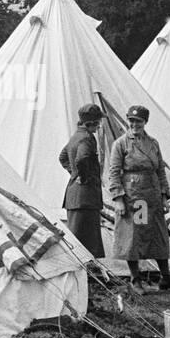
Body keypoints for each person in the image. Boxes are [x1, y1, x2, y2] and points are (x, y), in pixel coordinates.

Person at [105, 104, 170, 293]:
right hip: (135, 196)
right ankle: (135, 279)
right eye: (131, 120)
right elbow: (113, 172)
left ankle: (166, 277)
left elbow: (160, 169)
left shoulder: (153, 143)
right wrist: (118, 198)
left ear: (145, 122)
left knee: (158, 235)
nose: (134, 124)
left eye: (138, 121)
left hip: (152, 194)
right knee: (134, 236)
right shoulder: (121, 143)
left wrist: (164, 196)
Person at [58, 103, 106, 258]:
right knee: (86, 242)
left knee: (78, 239)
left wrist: (74, 174)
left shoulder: (76, 136)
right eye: (97, 123)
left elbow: (63, 157)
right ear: (91, 123)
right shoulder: (87, 138)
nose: (98, 127)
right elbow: (82, 158)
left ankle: (84, 277)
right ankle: (86, 278)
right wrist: (83, 176)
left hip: (75, 196)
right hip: (85, 197)